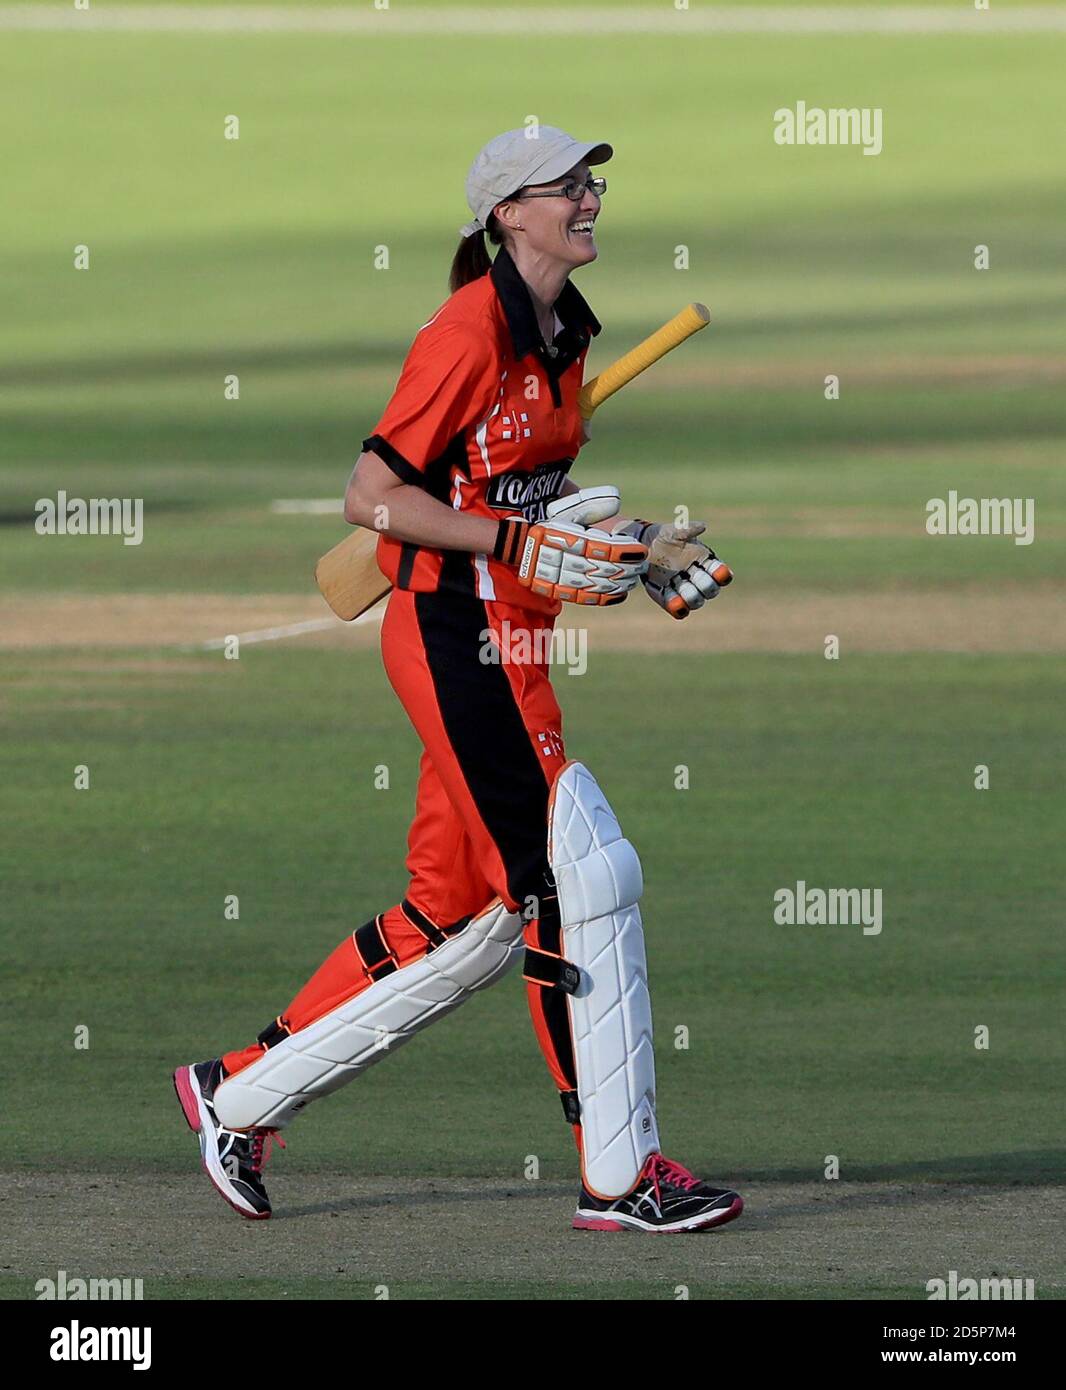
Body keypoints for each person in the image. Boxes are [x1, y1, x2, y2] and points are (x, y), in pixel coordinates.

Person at [174, 126, 742, 1234]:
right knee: (576, 878)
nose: (589, 198)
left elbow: (527, 498)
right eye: (567, 187)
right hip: (452, 635)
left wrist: (637, 549)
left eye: (592, 181)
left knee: (460, 915)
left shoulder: (565, 328)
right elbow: (371, 494)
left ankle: (235, 1095)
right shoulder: (467, 330)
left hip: (511, 634)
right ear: (507, 213)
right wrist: (512, 547)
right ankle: (623, 1175)